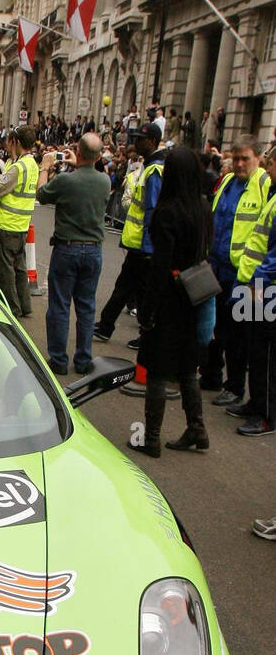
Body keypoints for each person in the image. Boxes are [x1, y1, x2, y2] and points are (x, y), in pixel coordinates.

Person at [129, 146, 213, 456]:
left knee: (157, 369)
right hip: (195, 294)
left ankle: (151, 438)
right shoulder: (203, 208)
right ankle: (197, 427)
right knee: (188, 367)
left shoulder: (168, 211)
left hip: (168, 299)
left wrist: (147, 309)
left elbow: (160, 265)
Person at [201, 138, 271, 405]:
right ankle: (211, 376)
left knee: (242, 337)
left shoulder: (264, 185)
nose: (240, 163)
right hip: (218, 268)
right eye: (236, 158)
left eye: (245, 158)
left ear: (258, 158)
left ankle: (236, 388)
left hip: (250, 278)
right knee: (216, 326)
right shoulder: (228, 182)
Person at [36, 134, 111, 376]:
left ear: (77, 151)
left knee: (59, 305)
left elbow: (42, 194)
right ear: (99, 156)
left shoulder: (66, 181)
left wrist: (45, 168)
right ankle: (83, 359)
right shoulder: (105, 182)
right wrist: (80, 162)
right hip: (93, 249)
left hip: (67, 248)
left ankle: (58, 359)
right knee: (86, 307)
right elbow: (89, 174)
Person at [93, 123, 164, 343]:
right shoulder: (148, 167)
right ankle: (107, 325)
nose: (135, 144)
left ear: (152, 141)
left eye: (140, 140)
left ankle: (144, 334)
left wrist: (148, 246)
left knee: (137, 291)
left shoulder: (155, 170)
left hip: (143, 246)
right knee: (127, 287)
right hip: (137, 244)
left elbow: (152, 210)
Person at [229, 157, 276, 435]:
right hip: (259, 287)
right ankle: (257, 402)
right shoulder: (272, 197)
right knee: (256, 350)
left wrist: (254, 282)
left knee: (267, 354)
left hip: (266, 289)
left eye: (273, 165)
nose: (269, 170)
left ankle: (266, 414)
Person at [0, 124, 39, 312]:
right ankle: (24, 305)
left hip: (8, 224)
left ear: (16, 142)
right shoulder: (32, 165)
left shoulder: (18, 168)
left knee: (5, 270)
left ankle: (12, 307)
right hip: (22, 224)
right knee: (19, 267)